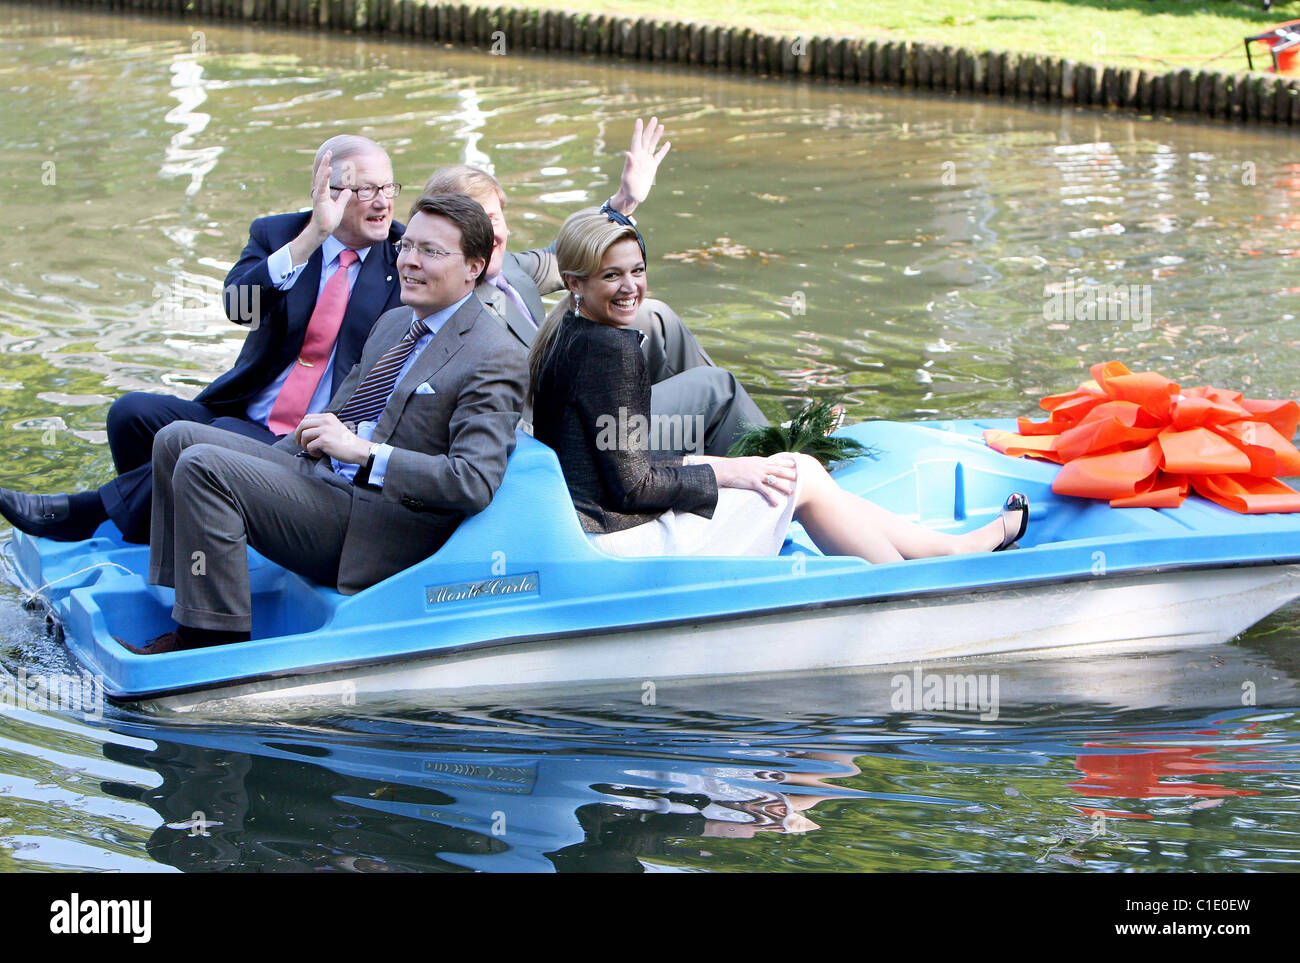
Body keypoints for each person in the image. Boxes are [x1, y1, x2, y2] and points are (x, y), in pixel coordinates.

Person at [121, 193, 528, 655]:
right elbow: (334, 418)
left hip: (376, 529)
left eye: (431, 252)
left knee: (204, 467)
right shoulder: (395, 323)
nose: (410, 262)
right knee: (176, 439)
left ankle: (210, 641)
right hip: (325, 484)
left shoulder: (495, 355)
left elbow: (472, 482)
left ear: (474, 267)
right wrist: (264, 470)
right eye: (407, 246)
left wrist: (362, 453)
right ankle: (191, 595)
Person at [529, 208, 1030, 562]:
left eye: (637, 271)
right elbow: (633, 486)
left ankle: (949, 549)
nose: (631, 287)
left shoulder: (564, 333)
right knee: (799, 476)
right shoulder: (611, 352)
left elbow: (616, 461)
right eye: (611, 276)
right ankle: (902, 586)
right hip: (620, 542)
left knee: (798, 469)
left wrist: (715, 464)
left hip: (591, 523)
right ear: (575, 282)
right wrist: (734, 471)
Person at [0, 134, 406, 543]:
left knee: (201, 441)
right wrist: (312, 237)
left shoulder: (406, 259)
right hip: (247, 414)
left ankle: (86, 513)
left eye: (389, 188)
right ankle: (160, 526)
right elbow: (240, 309)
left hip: (310, 440)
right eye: (367, 190)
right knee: (130, 414)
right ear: (328, 193)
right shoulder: (281, 234)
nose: (382, 203)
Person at [422, 117, 767, 456]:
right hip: (569, 439)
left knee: (653, 317)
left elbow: (568, 255)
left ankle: (725, 430)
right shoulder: (449, 302)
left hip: (576, 390)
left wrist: (624, 201)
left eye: (492, 218)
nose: (488, 234)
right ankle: (771, 453)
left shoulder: (510, 266)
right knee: (716, 389)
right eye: (471, 225)